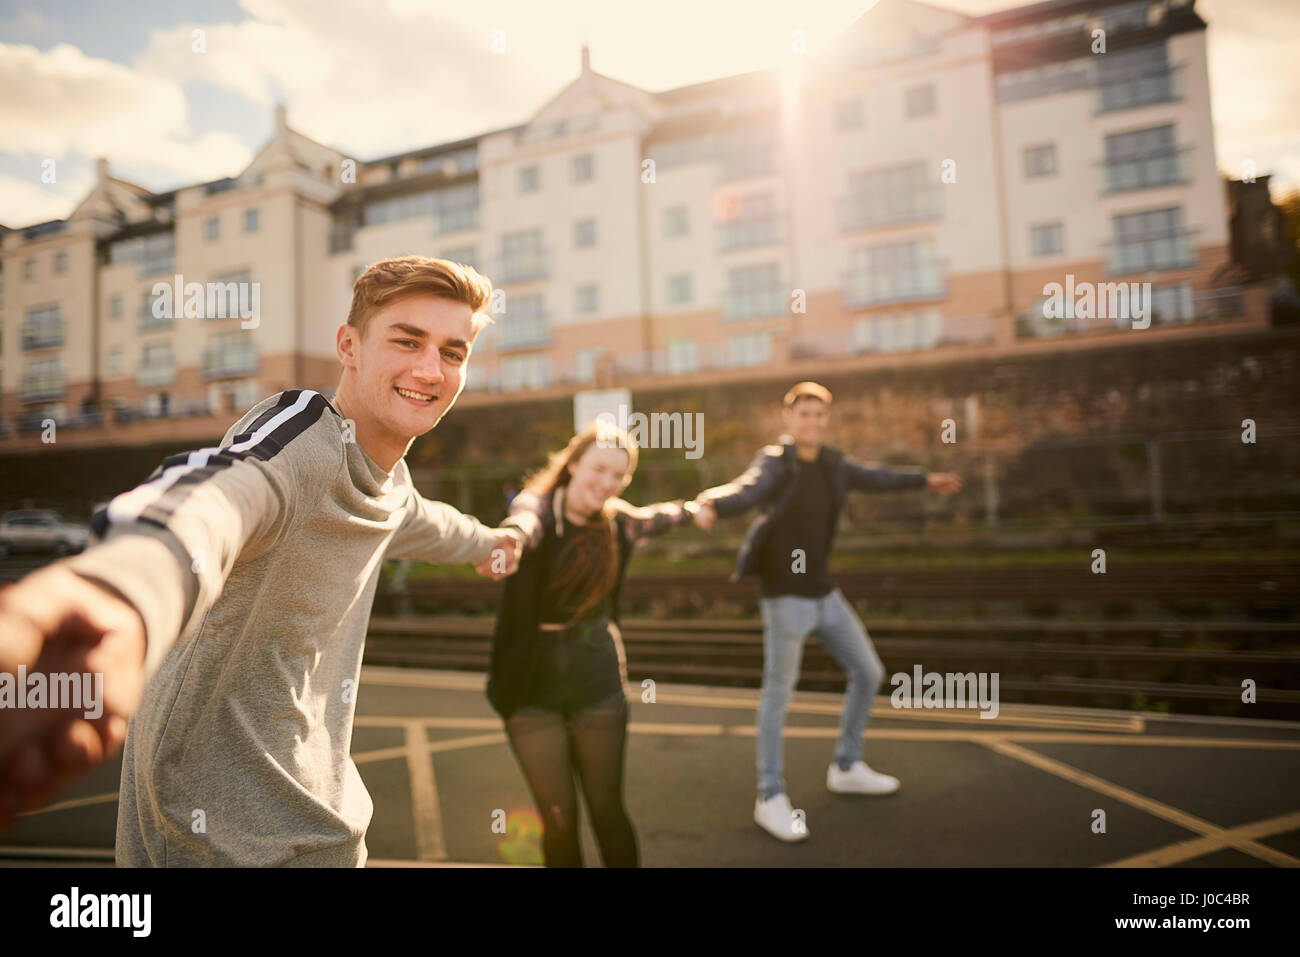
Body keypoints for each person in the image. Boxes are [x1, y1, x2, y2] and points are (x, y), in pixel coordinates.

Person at [0, 256, 525, 866]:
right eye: (407, 341)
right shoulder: (304, 437)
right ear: (348, 346)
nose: (429, 368)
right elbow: (218, 495)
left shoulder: (389, 485)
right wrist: (123, 592)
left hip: (326, 831)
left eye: (453, 352)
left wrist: (498, 544)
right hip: (209, 840)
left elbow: (442, 527)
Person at [691, 381, 962, 843]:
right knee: (779, 694)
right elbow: (747, 490)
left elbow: (877, 477)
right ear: (788, 420)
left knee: (869, 672)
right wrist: (710, 503)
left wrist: (926, 479)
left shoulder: (835, 464)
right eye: (804, 415)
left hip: (824, 594)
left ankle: (847, 765)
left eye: (819, 415)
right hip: (786, 597)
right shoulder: (778, 463)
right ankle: (770, 796)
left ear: (825, 421)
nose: (812, 422)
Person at [480, 423, 698, 867]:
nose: (607, 483)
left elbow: (670, 514)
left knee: (607, 811)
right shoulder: (538, 510)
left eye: (619, 477)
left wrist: (705, 508)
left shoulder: (619, 524)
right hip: (530, 685)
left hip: (596, 679)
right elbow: (523, 522)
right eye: (599, 469)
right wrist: (510, 540)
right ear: (573, 464)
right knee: (558, 818)